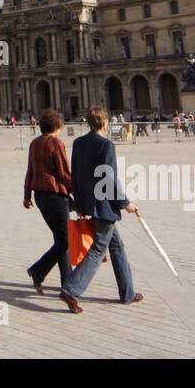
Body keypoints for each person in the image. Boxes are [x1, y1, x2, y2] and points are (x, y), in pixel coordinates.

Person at [58, 107, 141, 313]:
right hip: (104, 204)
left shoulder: (78, 143)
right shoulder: (106, 145)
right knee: (98, 249)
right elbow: (108, 177)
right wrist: (125, 203)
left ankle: (127, 292)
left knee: (117, 246)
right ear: (105, 123)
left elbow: (74, 174)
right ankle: (71, 289)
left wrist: (79, 200)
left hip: (88, 202)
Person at [23, 108, 74, 299]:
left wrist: (27, 194)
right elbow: (63, 172)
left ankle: (67, 283)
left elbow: (31, 170)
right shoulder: (56, 142)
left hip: (39, 195)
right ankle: (38, 270)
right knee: (65, 240)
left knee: (60, 240)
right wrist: (76, 192)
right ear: (57, 125)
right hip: (54, 195)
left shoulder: (34, 143)